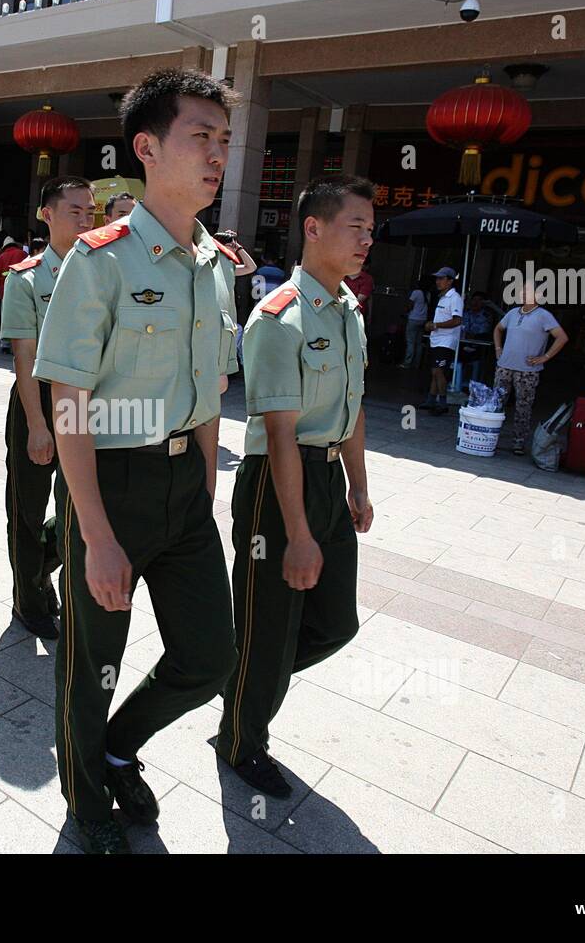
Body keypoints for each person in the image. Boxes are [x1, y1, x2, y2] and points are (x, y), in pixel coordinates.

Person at [34, 68, 242, 854]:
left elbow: (215, 388)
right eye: (201, 137)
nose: (217, 154)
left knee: (209, 655)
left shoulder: (216, 265)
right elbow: (70, 403)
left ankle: (118, 745)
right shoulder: (102, 259)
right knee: (93, 665)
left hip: (186, 486)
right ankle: (88, 802)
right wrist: (95, 534)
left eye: (224, 140)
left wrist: (206, 483)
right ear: (148, 147)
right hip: (110, 485)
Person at [217, 175, 374, 797]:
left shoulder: (349, 311)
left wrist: (357, 487)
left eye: (370, 229)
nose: (367, 240)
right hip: (275, 488)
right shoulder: (277, 317)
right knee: (269, 622)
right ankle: (241, 738)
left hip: (326, 476)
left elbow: (355, 406)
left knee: (335, 622)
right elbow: (280, 435)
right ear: (314, 228)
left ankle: (246, 683)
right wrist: (299, 535)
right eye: (355, 226)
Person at [0, 175, 95, 641]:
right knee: (28, 508)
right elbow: (23, 355)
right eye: (73, 211)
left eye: (89, 212)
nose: (84, 219)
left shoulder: (105, 271)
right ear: (47, 215)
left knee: (78, 506)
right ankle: (29, 599)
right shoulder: (26, 277)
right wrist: (38, 426)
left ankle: (41, 567)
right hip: (38, 404)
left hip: (88, 406)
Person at [492, 283, 568, 454]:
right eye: (522, 290)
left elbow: (562, 337)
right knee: (496, 404)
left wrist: (545, 357)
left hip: (527, 370)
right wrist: (498, 348)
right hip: (504, 366)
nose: (523, 293)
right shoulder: (512, 313)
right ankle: (491, 436)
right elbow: (498, 329)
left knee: (523, 407)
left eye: (528, 291)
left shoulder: (544, 316)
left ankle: (518, 441)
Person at [420, 266, 463, 415]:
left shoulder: (455, 298)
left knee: (439, 371)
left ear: (450, 281)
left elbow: (457, 320)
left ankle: (443, 402)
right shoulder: (442, 297)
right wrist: (432, 324)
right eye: (437, 278)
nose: (438, 281)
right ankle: (431, 400)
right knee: (434, 371)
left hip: (446, 341)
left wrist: (436, 325)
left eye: (441, 278)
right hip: (436, 339)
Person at [400, 281, 428, 369]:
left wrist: (405, 312)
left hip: (414, 319)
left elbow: (410, 305)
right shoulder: (427, 293)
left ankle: (407, 363)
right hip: (423, 319)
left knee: (410, 341)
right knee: (419, 343)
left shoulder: (416, 292)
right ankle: (417, 364)